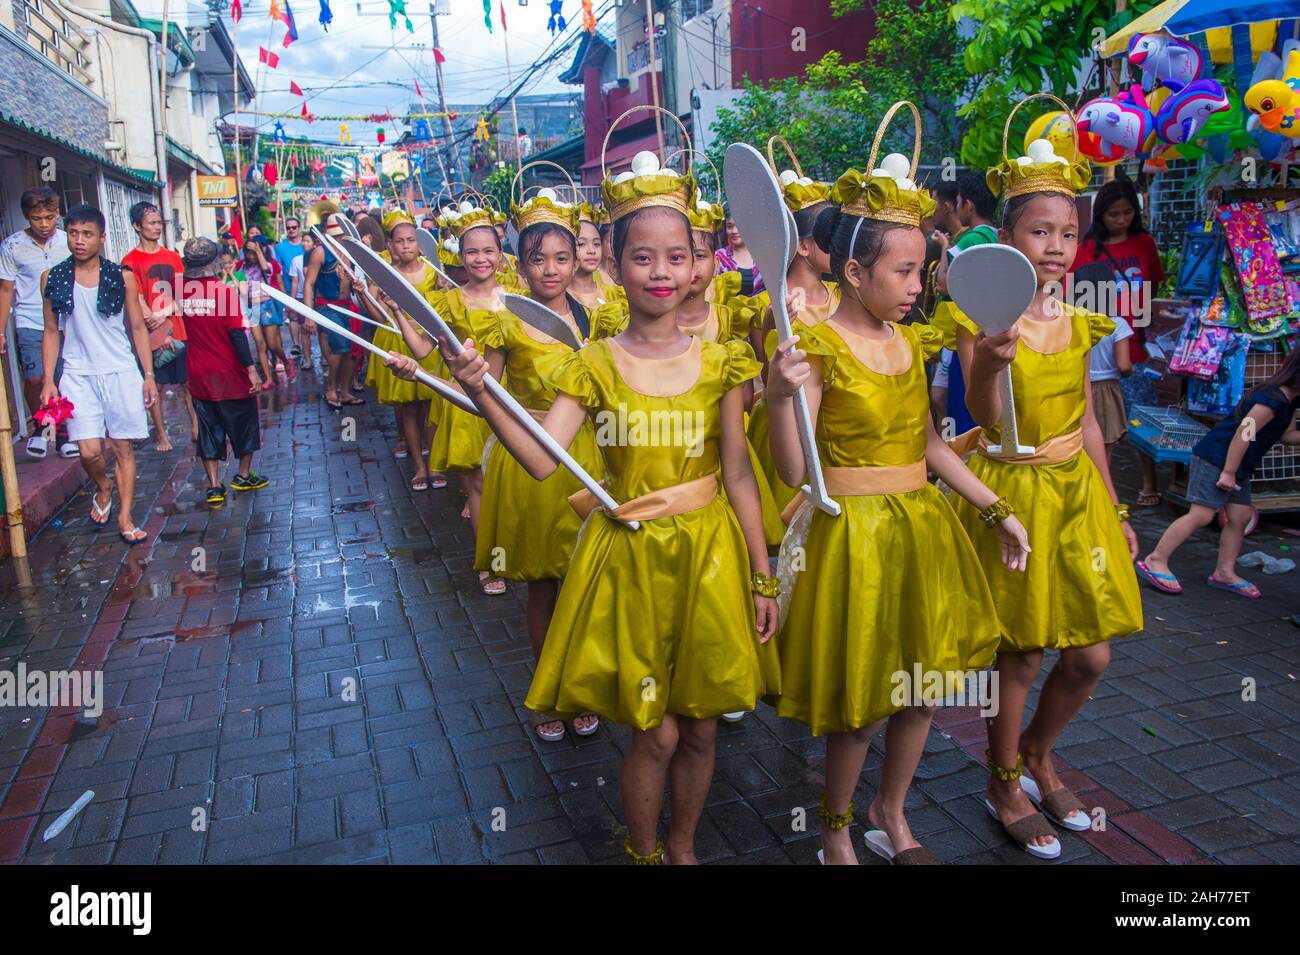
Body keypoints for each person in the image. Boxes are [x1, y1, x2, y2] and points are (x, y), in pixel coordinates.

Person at [433, 151, 777, 865]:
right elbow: (536, 456)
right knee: (654, 731)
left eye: (676, 255)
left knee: (704, 725)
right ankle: (644, 849)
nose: (660, 270)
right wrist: (482, 391)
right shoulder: (594, 362)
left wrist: (762, 571)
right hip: (631, 558)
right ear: (614, 267)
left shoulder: (723, 363)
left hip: (711, 556)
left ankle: (683, 846)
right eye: (642, 256)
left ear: (693, 266)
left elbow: (740, 476)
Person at [766, 145, 1028, 865]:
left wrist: (990, 503)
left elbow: (929, 445)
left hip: (919, 530)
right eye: (904, 271)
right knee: (860, 702)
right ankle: (835, 827)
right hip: (853, 540)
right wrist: (779, 394)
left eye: (921, 269)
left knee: (924, 685)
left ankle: (892, 812)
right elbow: (795, 469)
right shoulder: (817, 348)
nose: (919, 285)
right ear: (854, 272)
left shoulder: (912, 347)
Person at [950, 115, 1143, 859]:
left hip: (1078, 495)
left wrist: (1117, 506)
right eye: (1040, 232)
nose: (1057, 247)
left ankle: (1036, 750)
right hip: (1017, 491)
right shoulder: (983, 318)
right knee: (1022, 654)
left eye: (1067, 232)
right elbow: (985, 417)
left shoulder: (1081, 320)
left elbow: (1091, 422)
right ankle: (1004, 781)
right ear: (1009, 241)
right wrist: (993, 360)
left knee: (1091, 654)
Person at [397, 191, 604, 741]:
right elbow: (480, 396)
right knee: (542, 586)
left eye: (562, 257)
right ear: (522, 263)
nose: (551, 269)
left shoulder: (601, 318)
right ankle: (548, 693)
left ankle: (582, 686)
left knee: (585, 581)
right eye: (538, 259)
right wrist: (440, 374)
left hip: (588, 455)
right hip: (527, 460)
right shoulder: (506, 323)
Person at [1137, 349, 1300, 599]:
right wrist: (1229, 472)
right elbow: (1243, 433)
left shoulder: (1290, 401)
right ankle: (1155, 559)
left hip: (1238, 464)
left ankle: (1224, 572)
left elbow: (1288, 437)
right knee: (1201, 514)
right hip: (1218, 459)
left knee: (1240, 515)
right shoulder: (1273, 397)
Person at [39, 204, 157, 545]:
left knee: (122, 447)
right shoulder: (54, 277)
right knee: (88, 450)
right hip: (77, 373)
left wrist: (148, 374)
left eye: (87, 234)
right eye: (73, 233)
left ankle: (125, 516)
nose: (79, 240)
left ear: (102, 238)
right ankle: (104, 487)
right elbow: (51, 331)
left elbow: (137, 326)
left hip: (119, 369)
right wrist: (49, 379)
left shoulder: (122, 276)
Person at [1071, 177, 1165, 507]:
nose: (1121, 219)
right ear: (1101, 214)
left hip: (1134, 342)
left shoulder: (1144, 244)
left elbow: (1153, 289)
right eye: (1114, 214)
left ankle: (1148, 482)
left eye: (1127, 213)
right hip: (1100, 346)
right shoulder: (1087, 248)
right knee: (1094, 425)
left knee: (1141, 420)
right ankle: (1097, 494)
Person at [177, 238, 268, 507]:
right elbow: (237, 335)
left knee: (208, 430)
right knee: (244, 424)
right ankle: (242, 475)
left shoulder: (183, 289)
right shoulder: (224, 292)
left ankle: (214, 486)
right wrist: (252, 370)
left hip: (199, 373)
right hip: (230, 373)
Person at [363, 214, 443, 492]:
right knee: (408, 407)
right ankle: (419, 466)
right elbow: (378, 311)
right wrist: (365, 293)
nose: (406, 246)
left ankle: (434, 464)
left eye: (411, 240)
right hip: (398, 338)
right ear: (391, 246)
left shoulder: (434, 272)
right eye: (400, 241)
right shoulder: (385, 271)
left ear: (420, 244)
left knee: (433, 405)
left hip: (427, 341)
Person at [0, 187, 75, 458]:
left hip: (65, 320)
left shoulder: (69, 242)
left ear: (58, 214)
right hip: (29, 319)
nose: (43, 224)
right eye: (36, 218)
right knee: (35, 379)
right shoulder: (12, 246)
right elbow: (6, 289)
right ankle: (44, 427)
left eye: (49, 217)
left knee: (62, 378)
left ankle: (63, 433)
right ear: (25, 216)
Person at [122, 201, 197, 452]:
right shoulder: (130, 261)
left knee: (188, 382)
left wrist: (164, 314)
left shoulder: (173, 257)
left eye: (159, 223)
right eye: (152, 223)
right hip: (150, 331)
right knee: (156, 384)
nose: (157, 228)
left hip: (178, 326)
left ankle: (196, 426)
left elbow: (183, 294)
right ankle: (161, 434)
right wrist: (154, 322)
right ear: (136, 226)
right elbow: (136, 297)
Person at [930, 170, 1000, 438]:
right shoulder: (996, 235)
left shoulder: (972, 238)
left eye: (958, 202)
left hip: (963, 327)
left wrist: (944, 247)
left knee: (958, 399)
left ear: (968, 205)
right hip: (984, 322)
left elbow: (944, 283)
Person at [1075, 262, 1134, 469]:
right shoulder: (1117, 324)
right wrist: (1133, 370)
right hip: (1107, 391)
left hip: (1075, 390)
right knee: (1104, 450)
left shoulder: (1072, 321)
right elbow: (1124, 365)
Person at [304, 217, 360, 410]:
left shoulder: (349, 251)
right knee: (341, 346)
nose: (341, 238)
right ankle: (331, 389)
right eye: (338, 235)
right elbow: (309, 283)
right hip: (327, 306)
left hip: (347, 306)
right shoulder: (320, 252)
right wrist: (308, 314)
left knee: (353, 351)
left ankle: (344, 391)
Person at [273, 215, 305, 362]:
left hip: (306, 286)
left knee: (306, 319)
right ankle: (296, 344)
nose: (291, 230)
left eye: (294, 227)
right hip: (288, 286)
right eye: (288, 228)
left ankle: (307, 347)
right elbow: (277, 269)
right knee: (293, 317)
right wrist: (282, 291)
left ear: (299, 228)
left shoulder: (305, 244)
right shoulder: (280, 247)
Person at [715, 210, 764, 296]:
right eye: (729, 227)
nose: (734, 231)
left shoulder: (763, 256)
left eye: (739, 226)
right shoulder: (719, 257)